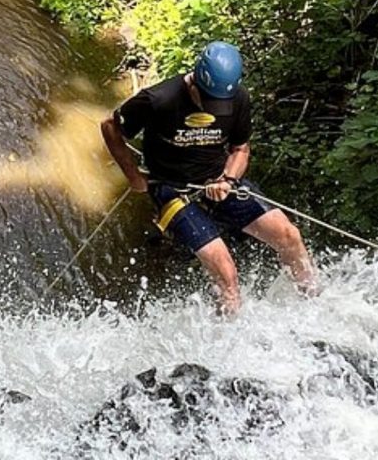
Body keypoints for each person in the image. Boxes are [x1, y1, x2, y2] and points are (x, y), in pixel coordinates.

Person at [101, 40, 317, 314]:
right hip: (173, 188)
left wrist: (227, 180)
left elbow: (240, 148)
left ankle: (312, 299)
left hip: (220, 180)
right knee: (227, 271)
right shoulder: (159, 100)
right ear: (194, 83)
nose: (216, 109)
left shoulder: (237, 98)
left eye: (220, 104)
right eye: (210, 101)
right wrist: (133, 176)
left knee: (289, 235)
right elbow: (110, 126)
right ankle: (229, 336)